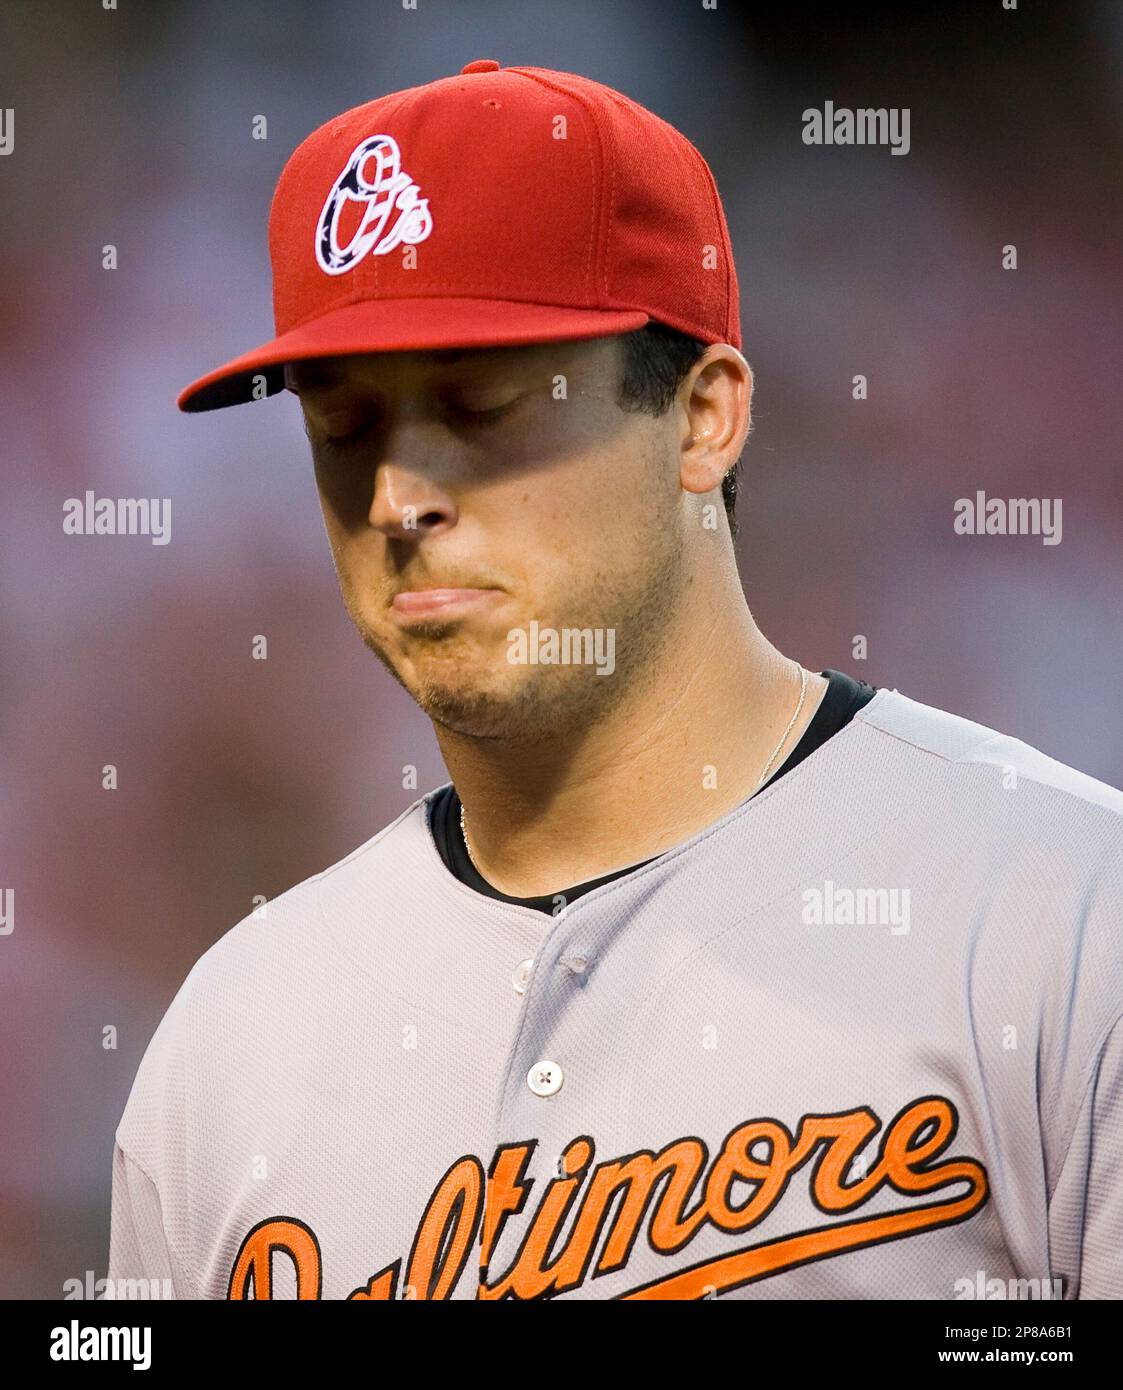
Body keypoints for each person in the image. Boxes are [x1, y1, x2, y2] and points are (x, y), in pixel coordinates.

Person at [108, 61, 1122, 1301]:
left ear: (702, 416)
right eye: (345, 427)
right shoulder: (231, 1039)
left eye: (480, 407)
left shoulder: (1062, 914)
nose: (396, 496)